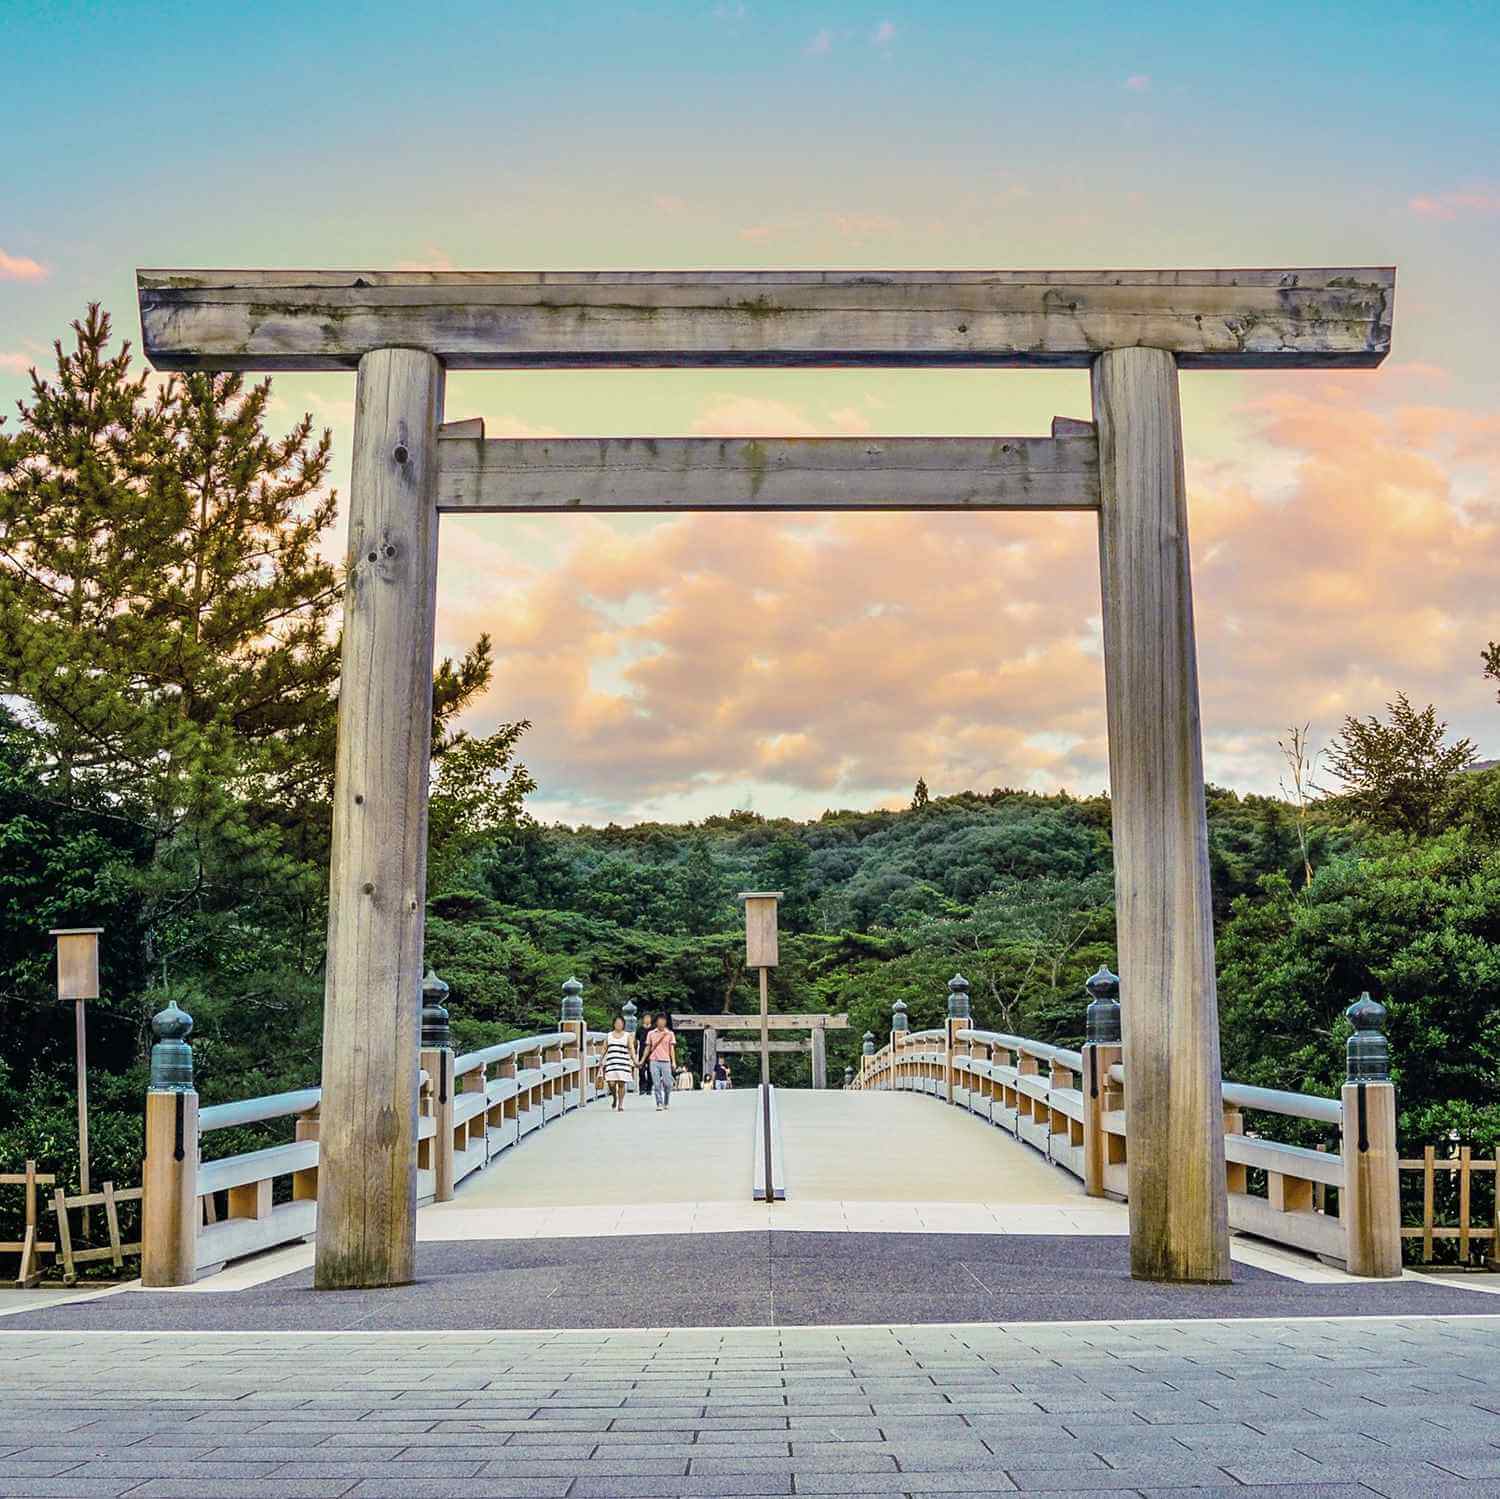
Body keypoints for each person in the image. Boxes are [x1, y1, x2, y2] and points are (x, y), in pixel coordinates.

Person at [642, 1013, 677, 1111]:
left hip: (666, 1060)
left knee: (668, 1083)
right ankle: (659, 1103)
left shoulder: (670, 1034)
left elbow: (672, 1049)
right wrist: (642, 1060)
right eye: (659, 1020)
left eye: (663, 1020)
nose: (661, 1022)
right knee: (656, 1084)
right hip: (654, 1061)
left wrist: (673, 1061)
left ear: (666, 1022)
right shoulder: (651, 1033)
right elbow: (648, 1047)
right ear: (656, 1022)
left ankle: (666, 1101)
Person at [600, 1015, 636, 1112]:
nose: (618, 1025)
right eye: (617, 1023)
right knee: (611, 1083)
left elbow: (631, 1048)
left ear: (623, 1024)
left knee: (621, 1083)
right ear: (614, 1024)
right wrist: (601, 1059)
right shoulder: (609, 1035)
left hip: (623, 1062)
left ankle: (620, 1104)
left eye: (620, 1023)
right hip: (611, 1062)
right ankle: (614, 1097)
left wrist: (634, 1060)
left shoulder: (627, 1035)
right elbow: (604, 1048)